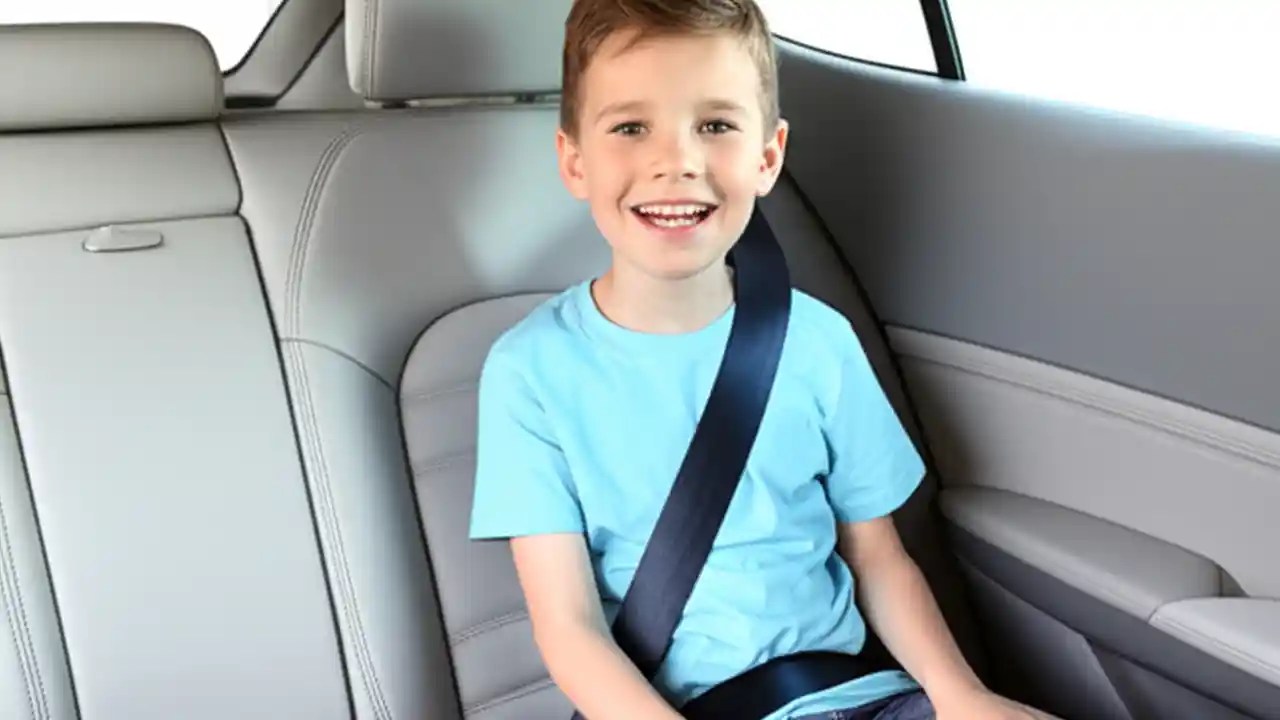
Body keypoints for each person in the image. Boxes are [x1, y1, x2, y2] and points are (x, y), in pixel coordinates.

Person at [470, 1, 1055, 718]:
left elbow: (876, 556)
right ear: (574, 161)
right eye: (630, 127)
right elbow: (569, 627)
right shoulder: (530, 373)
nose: (676, 160)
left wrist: (961, 695)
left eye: (714, 126)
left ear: (768, 156)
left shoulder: (818, 343)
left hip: (866, 696)